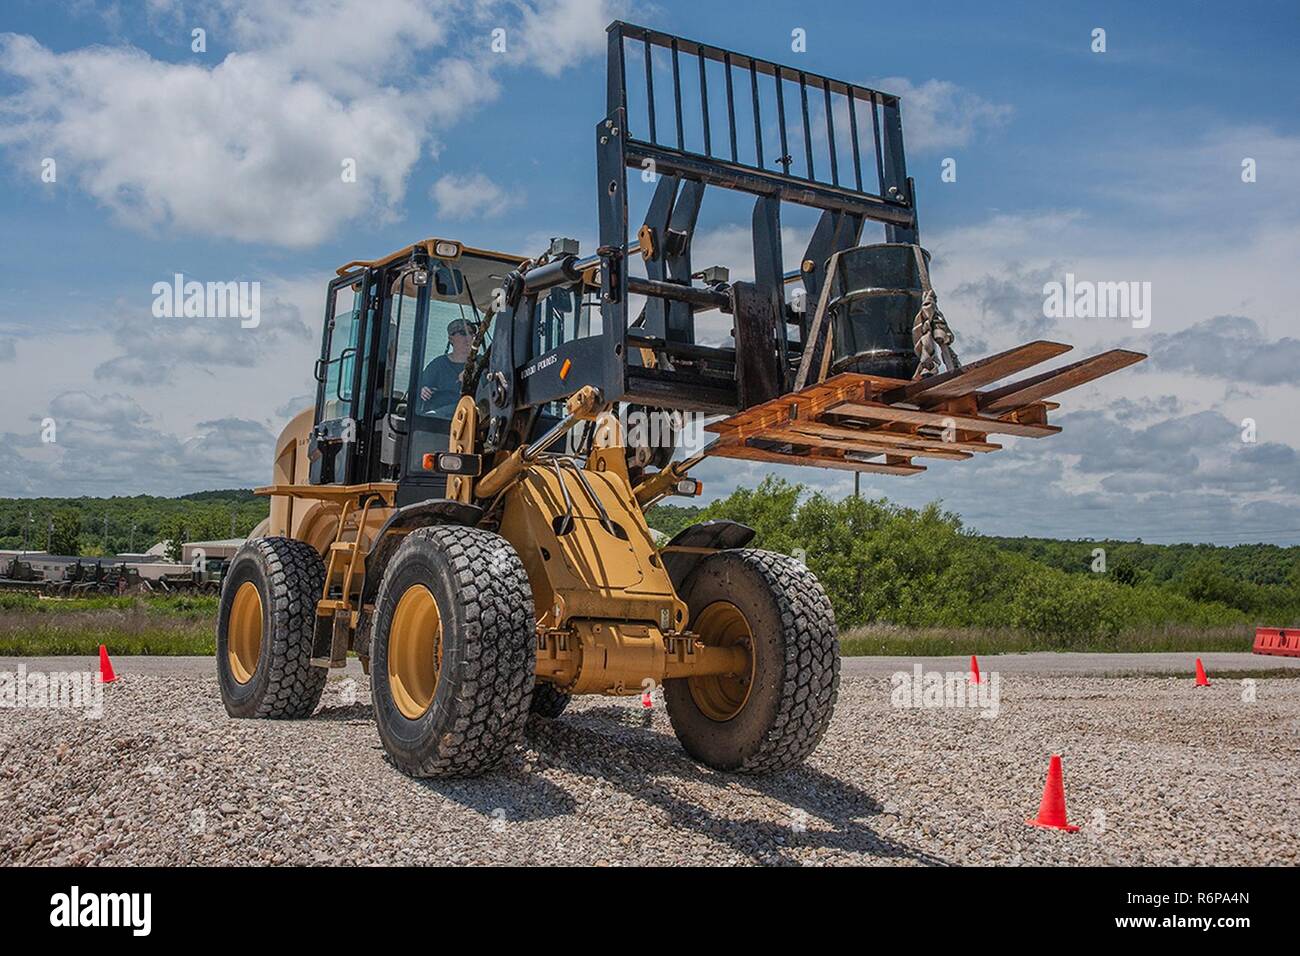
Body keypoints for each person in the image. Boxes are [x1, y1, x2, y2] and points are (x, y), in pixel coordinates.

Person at [417, 318, 475, 416]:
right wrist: (422, 391)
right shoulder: (437, 365)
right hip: (438, 422)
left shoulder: (482, 365)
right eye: (463, 333)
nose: (468, 338)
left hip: (470, 422)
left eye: (471, 333)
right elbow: (419, 388)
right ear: (451, 339)